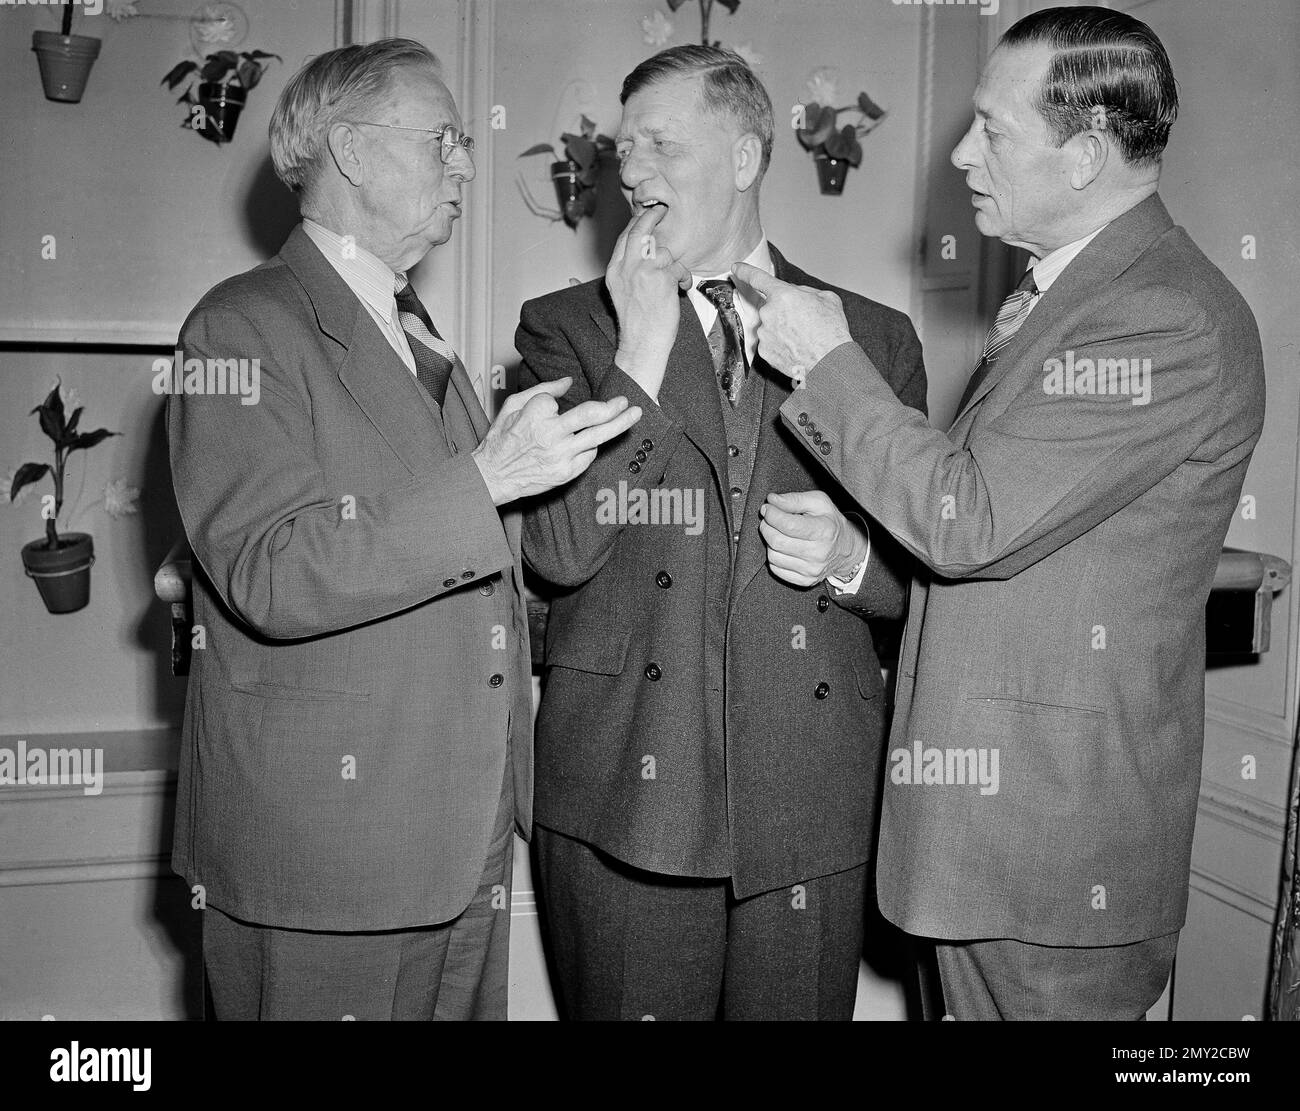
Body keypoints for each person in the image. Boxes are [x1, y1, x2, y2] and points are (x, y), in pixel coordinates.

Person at [735, 5, 1266, 1020]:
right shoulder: (1069, 299)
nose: (960, 151)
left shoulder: (1161, 317)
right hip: (990, 852)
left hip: (1047, 865)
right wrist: (858, 560)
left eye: (991, 128)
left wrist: (825, 360)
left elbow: (966, 522)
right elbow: (1011, 549)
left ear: (1084, 154)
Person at [167, 38, 639, 1020]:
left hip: (459, 839)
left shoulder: (415, 332)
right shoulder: (240, 325)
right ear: (348, 148)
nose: (467, 163)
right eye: (443, 140)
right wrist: (488, 477)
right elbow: (267, 567)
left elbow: (468, 568)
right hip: (329, 860)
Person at [516, 45, 927, 1020]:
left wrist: (851, 558)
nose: (634, 173)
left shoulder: (870, 336)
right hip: (624, 798)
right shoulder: (566, 329)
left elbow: (930, 572)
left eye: (663, 143)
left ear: (746, 156)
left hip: (810, 803)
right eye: (626, 152)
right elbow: (560, 549)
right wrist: (644, 351)